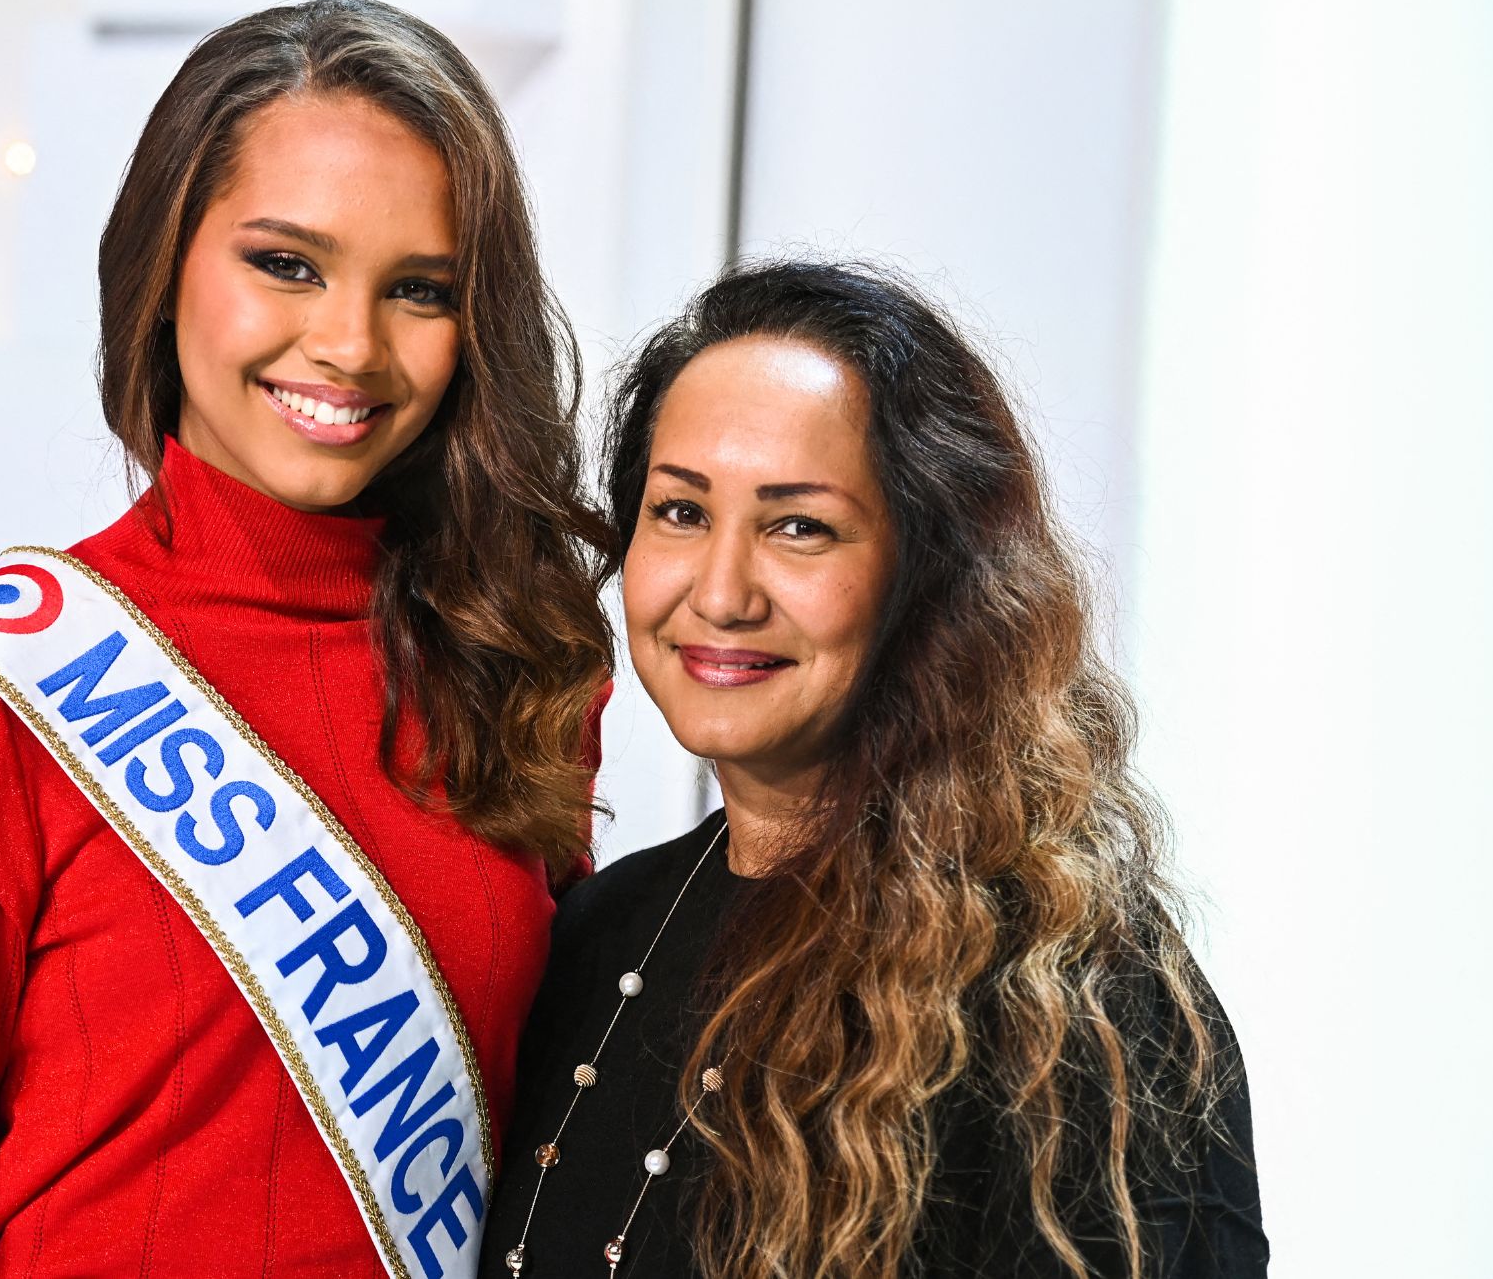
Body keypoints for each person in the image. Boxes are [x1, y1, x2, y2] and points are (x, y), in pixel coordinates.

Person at [0, 0, 612, 1278]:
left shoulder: (516, 668)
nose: (349, 347)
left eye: (418, 290)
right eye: (285, 263)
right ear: (163, 259)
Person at [481, 262, 1268, 1278]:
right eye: (679, 511)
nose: (719, 593)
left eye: (797, 526)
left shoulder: (1069, 991)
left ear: (927, 567)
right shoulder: (596, 934)